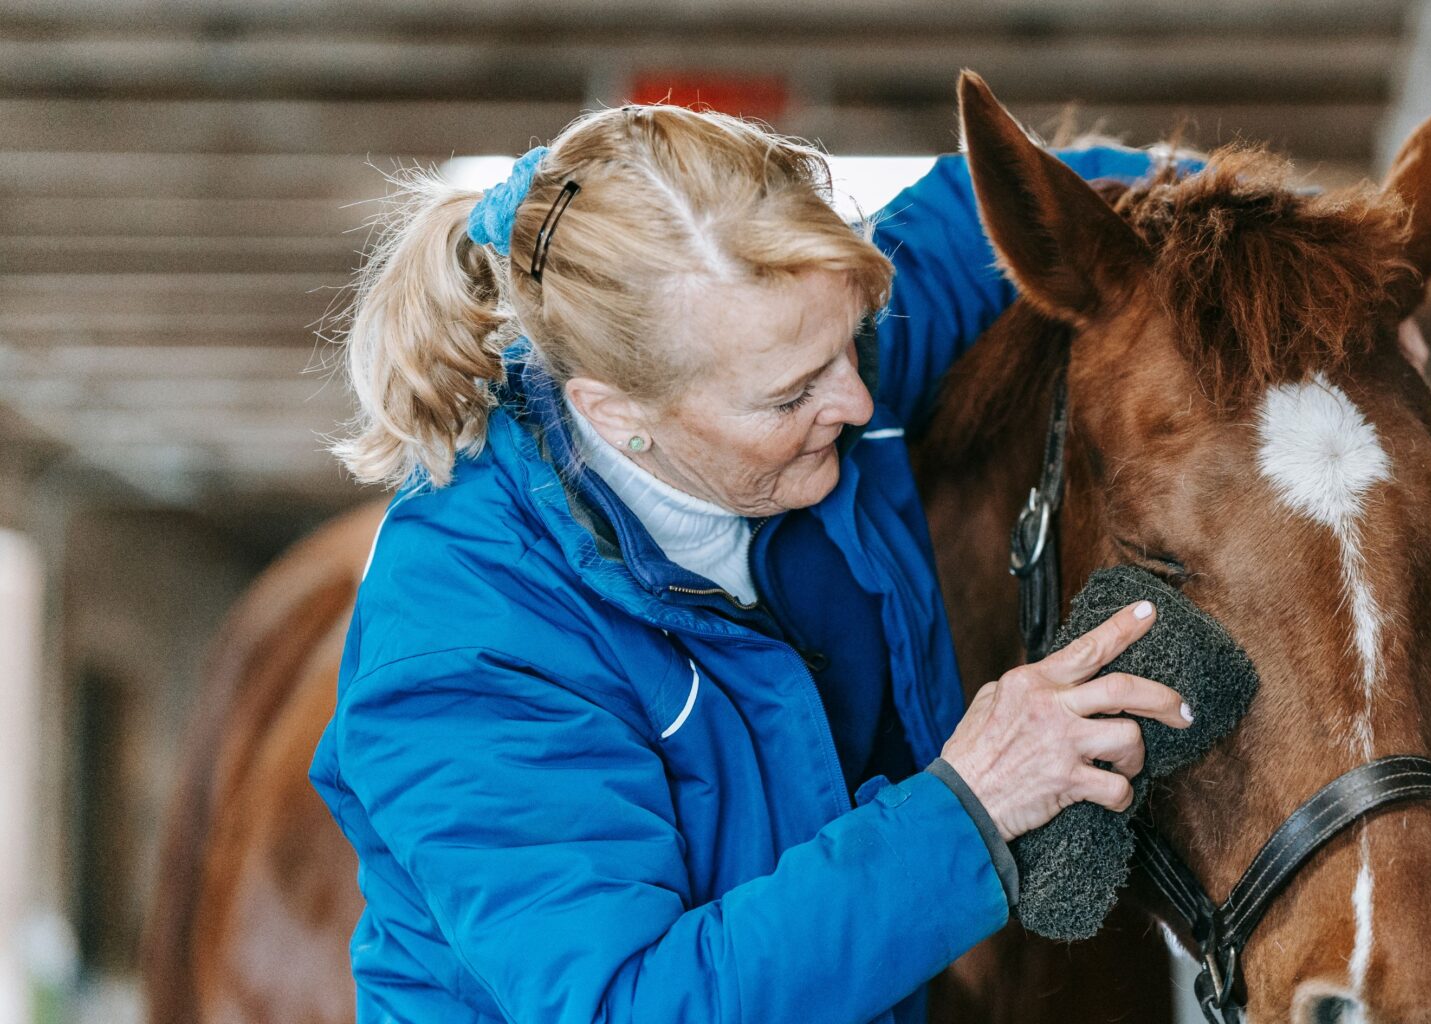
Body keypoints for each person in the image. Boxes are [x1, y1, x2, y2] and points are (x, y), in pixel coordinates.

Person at [307, 104, 1196, 1024]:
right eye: (792, 397)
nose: (854, 400)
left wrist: (1312, 237)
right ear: (617, 415)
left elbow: (1043, 193)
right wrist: (972, 806)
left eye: (852, 339)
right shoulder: (470, 647)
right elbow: (635, 1006)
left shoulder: (799, 335)